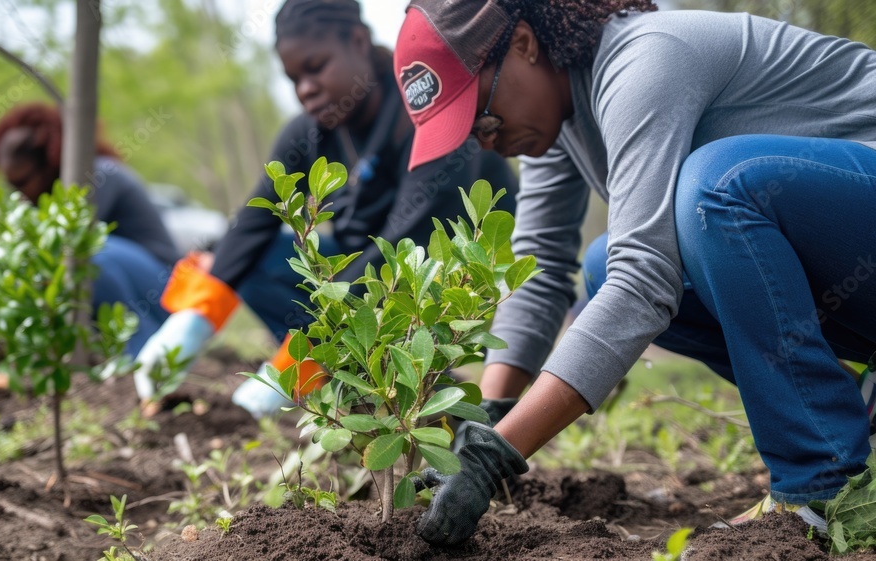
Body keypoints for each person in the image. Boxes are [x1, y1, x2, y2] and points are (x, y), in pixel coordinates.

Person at [392, 0, 876, 545]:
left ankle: (824, 482)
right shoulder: (562, 114)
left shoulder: (646, 60)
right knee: (602, 265)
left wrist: (494, 458)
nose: (485, 140)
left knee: (714, 189)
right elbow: (544, 261)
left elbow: (644, 278)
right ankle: (844, 409)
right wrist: (492, 414)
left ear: (525, 43)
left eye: (483, 116)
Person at [134, 0, 518, 416]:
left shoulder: (424, 112)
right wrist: (193, 318)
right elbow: (253, 223)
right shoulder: (310, 134)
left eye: (315, 68)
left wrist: (296, 361)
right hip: (361, 290)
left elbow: (408, 245)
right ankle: (345, 374)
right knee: (256, 255)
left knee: (395, 283)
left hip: (442, 290)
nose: (305, 90)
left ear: (358, 40)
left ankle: (417, 385)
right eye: (294, 79)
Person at [0, 103, 181, 369]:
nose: (18, 194)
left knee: (83, 255)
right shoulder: (38, 197)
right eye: (10, 185)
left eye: (22, 182)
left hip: (163, 291)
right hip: (127, 282)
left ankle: (145, 356)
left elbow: (61, 247)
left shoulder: (98, 174)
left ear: (49, 162)